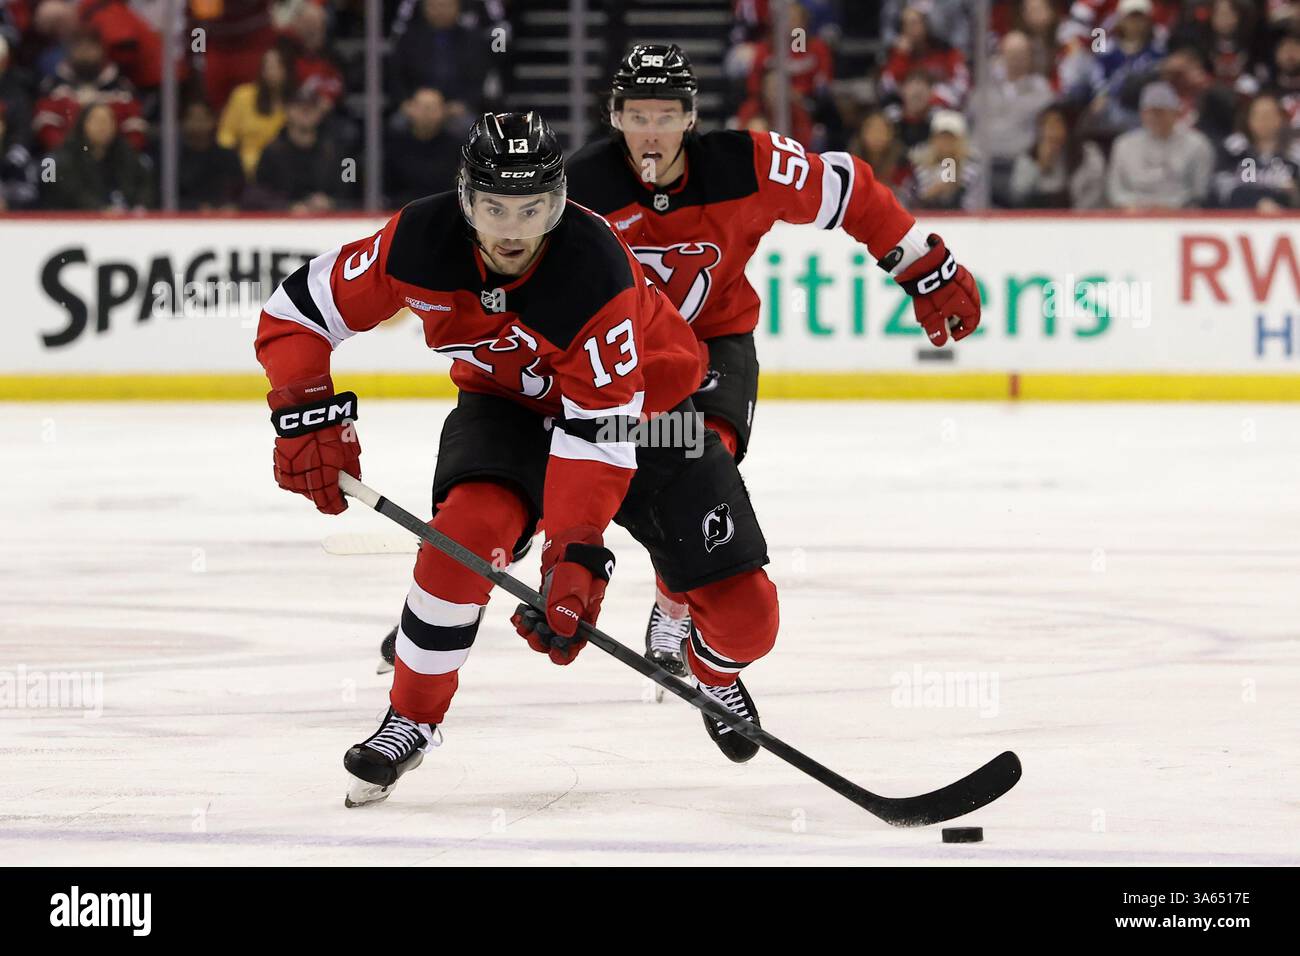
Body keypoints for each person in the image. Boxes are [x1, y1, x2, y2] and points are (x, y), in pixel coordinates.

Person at [256, 112, 782, 807]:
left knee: (750, 617)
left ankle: (712, 673)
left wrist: (574, 553)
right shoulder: (418, 239)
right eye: (494, 207)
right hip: (509, 411)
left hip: (647, 415)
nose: (511, 230)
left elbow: (596, 438)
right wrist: (304, 413)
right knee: (460, 541)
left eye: (531, 209)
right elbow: (299, 311)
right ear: (466, 200)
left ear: (558, 203)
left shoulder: (593, 274)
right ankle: (409, 718)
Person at [551, 45, 980, 677]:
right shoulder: (578, 189)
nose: (652, 132)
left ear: (691, 117)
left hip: (715, 340)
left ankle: (677, 605)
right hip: (621, 354)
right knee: (554, 469)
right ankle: (454, 601)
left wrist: (922, 264)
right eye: (637, 115)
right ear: (615, 117)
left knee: (706, 454)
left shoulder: (748, 165)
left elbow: (850, 188)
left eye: (666, 114)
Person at [1107, 80, 1214, 208]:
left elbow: (1200, 190)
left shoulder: (1197, 144)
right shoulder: (1124, 144)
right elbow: (1115, 189)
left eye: (1160, 112)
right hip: (1133, 214)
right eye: (1148, 112)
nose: (1153, 117)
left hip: (1180, 214)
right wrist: (1132, 206)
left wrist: (1171, 206)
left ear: (1175, 113)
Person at [43, 100, 154, 210]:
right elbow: (70, 194)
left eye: (107, 121)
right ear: (83, 124)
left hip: (125, 223)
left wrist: (140, 207)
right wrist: (100, 209)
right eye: (97, 121)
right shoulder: (63, 160)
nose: (103, 127)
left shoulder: (126, 155)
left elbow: (143, 188)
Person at [1008, 104, 1106, 208]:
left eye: (1056, 124)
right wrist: (1040, 165)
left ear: (1069, 126)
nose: (1050, 130)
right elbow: (1018, 195)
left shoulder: (1089, 153)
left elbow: (1096, 192)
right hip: (1040, 219)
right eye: (1045, 124)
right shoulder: (1029, 155)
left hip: (1080, 217)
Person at [217, 45, 292, 178]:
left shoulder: (295, 103)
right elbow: (225, 135)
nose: (272, 72)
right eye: (268, 67)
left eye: (277, 67)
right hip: (245, 168)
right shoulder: (242, 96)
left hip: (283, 170)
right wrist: (233, 161)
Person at [384, 87, 462, 208]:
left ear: (443, 111)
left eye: (433, 108)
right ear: (409, 109)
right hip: (401, 209)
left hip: (444, 209)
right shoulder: (395, 145)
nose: (427, 113)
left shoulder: (457, 146)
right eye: (423, 107)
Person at [178, 99, 245, 211]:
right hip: (186, 221)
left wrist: (232, 206)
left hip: (226, 219)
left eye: (202, 118)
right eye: (192, 118)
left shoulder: (228, 156)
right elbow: (165, 198)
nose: (197, 123)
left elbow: (241, 191)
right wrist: (195, 207)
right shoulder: (173, 160)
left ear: (213, 121)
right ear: (184, 122)